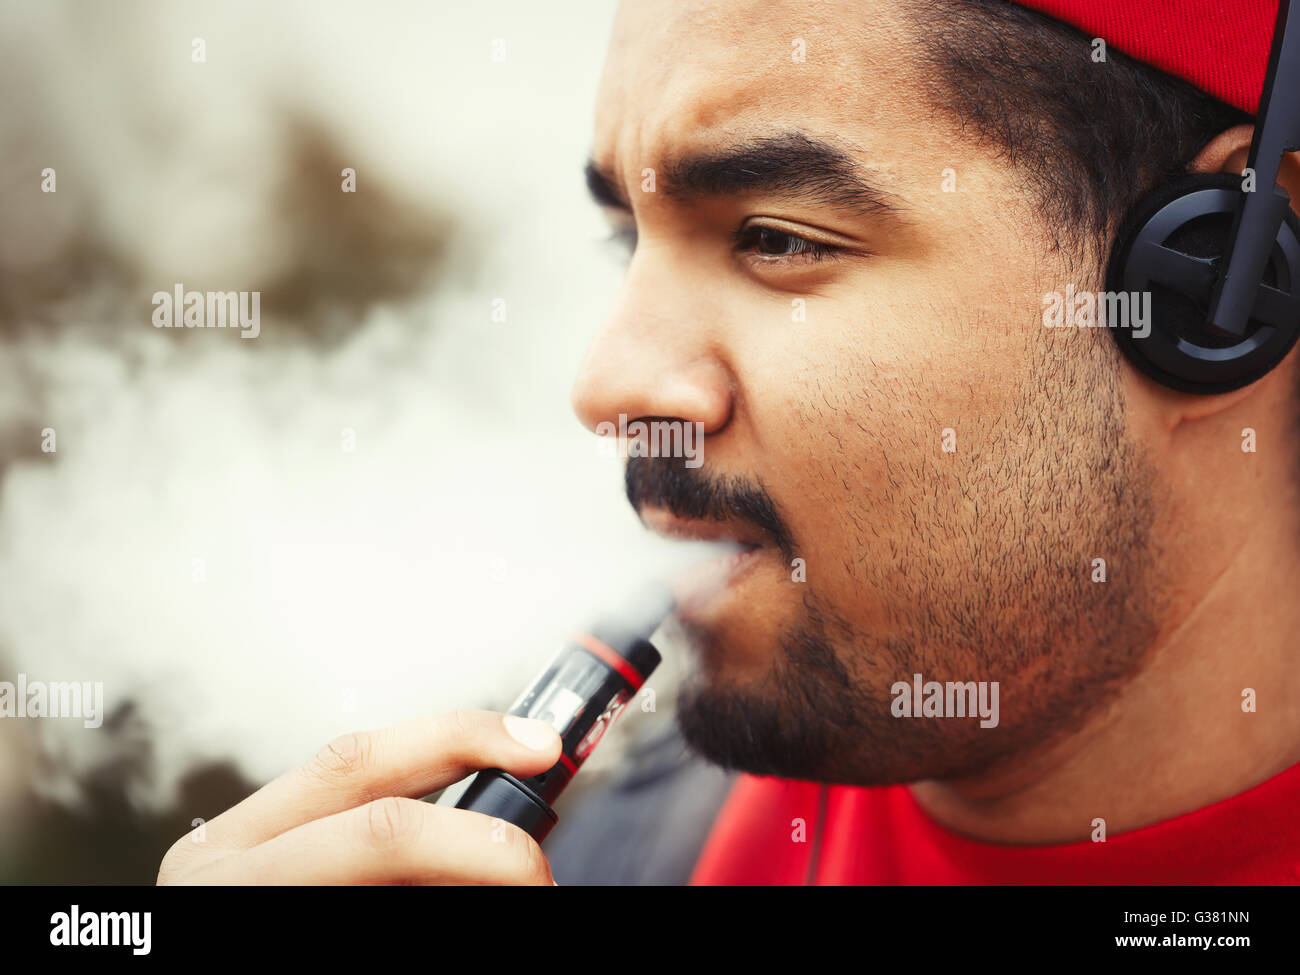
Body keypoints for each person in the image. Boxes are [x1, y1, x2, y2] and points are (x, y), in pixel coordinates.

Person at [159, 0, 1300, 886]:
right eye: (626, 243)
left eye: (776, 237)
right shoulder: (607, 860)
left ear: (1227, 290)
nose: (608, 386)